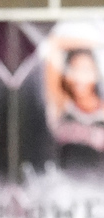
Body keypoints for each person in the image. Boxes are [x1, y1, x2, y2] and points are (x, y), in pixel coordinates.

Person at [44, 35, 104, 178]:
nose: (79, 77)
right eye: (74, 69)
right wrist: (96, 43)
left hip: (98, 192)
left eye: (86, 70)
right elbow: (54, 44)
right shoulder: (62, 106)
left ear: (96, 74)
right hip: (65, 191)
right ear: (67, 75)